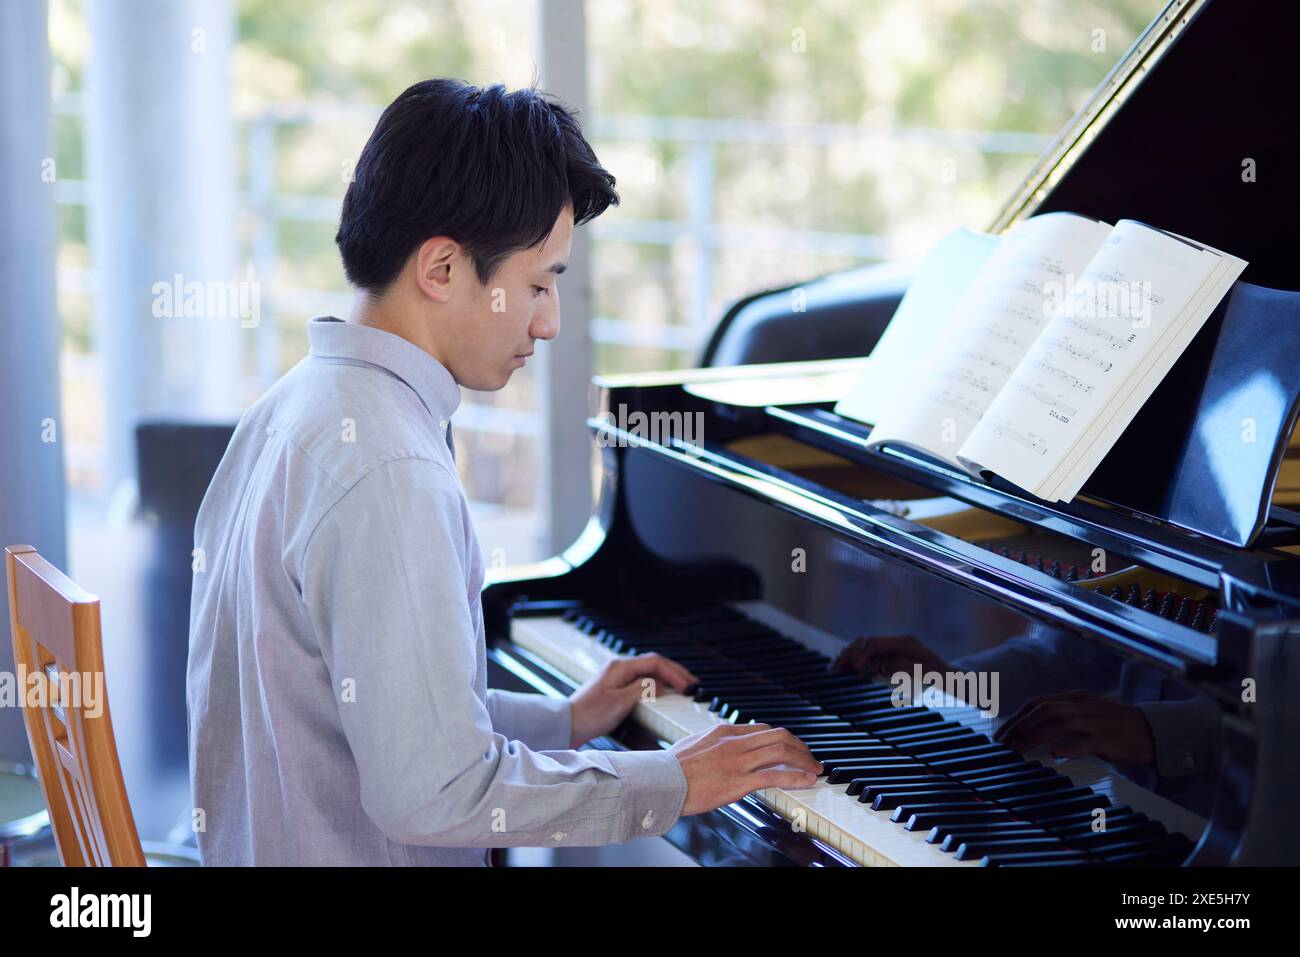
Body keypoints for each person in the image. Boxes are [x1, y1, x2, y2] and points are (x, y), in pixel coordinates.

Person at [186, 79, 820, 866]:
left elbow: (391, 711)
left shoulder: (296, 405)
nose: (548, 322)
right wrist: (671, 780)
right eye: (538, 284)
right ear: (443, 268)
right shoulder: (390, 470)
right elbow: (436, 790)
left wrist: (565, 720)